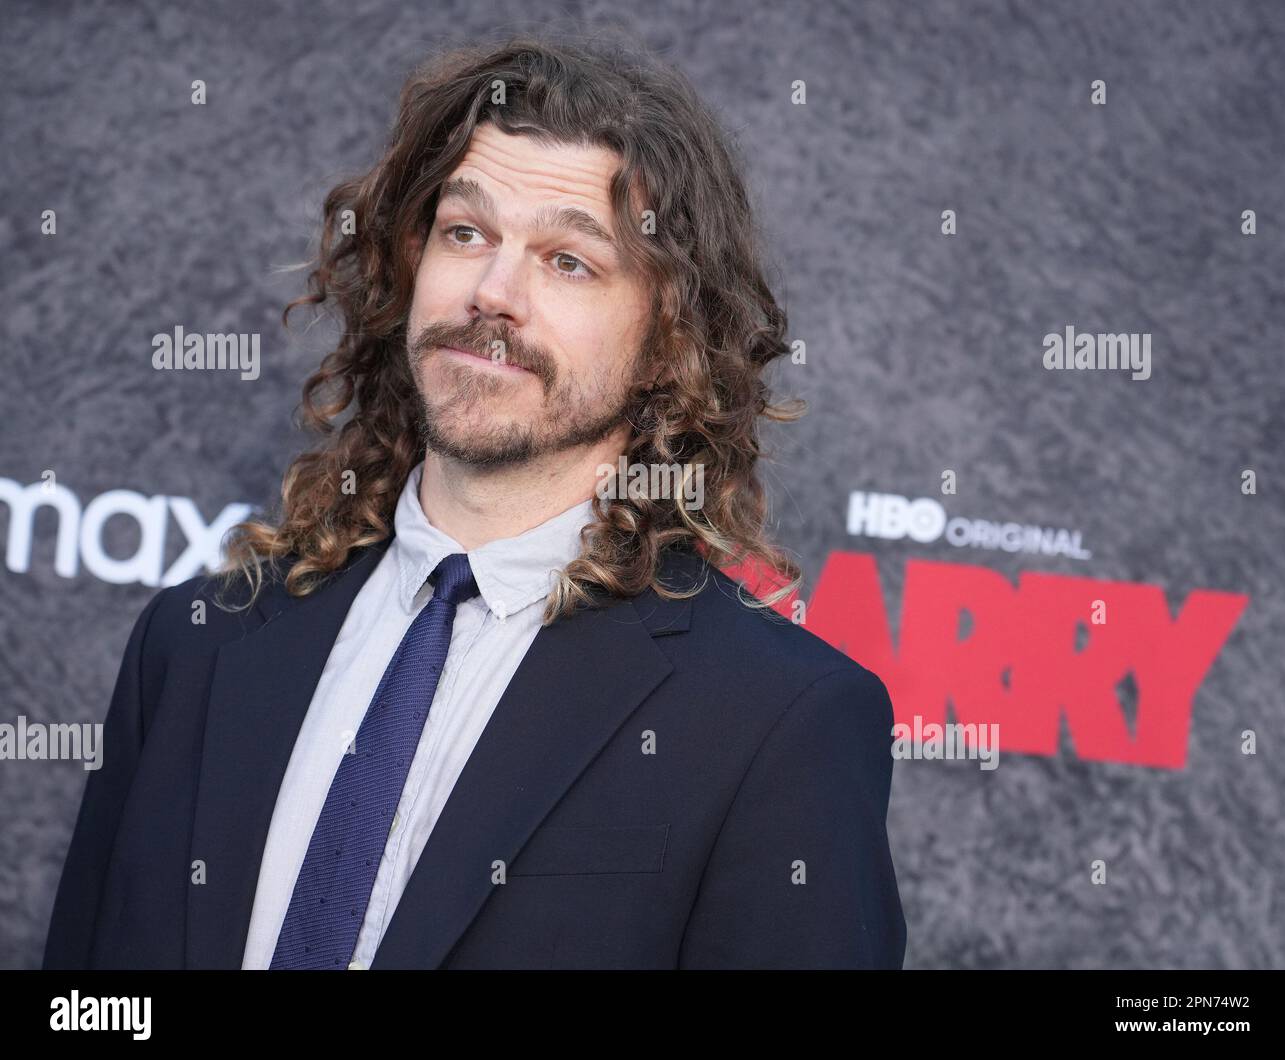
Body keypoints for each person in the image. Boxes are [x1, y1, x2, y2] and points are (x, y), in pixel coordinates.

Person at [42, 32, 906, 970]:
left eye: (568, 260)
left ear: (670, 342)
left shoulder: (778, 724)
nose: (494, 292)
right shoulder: (194, 644)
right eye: (466, 233)